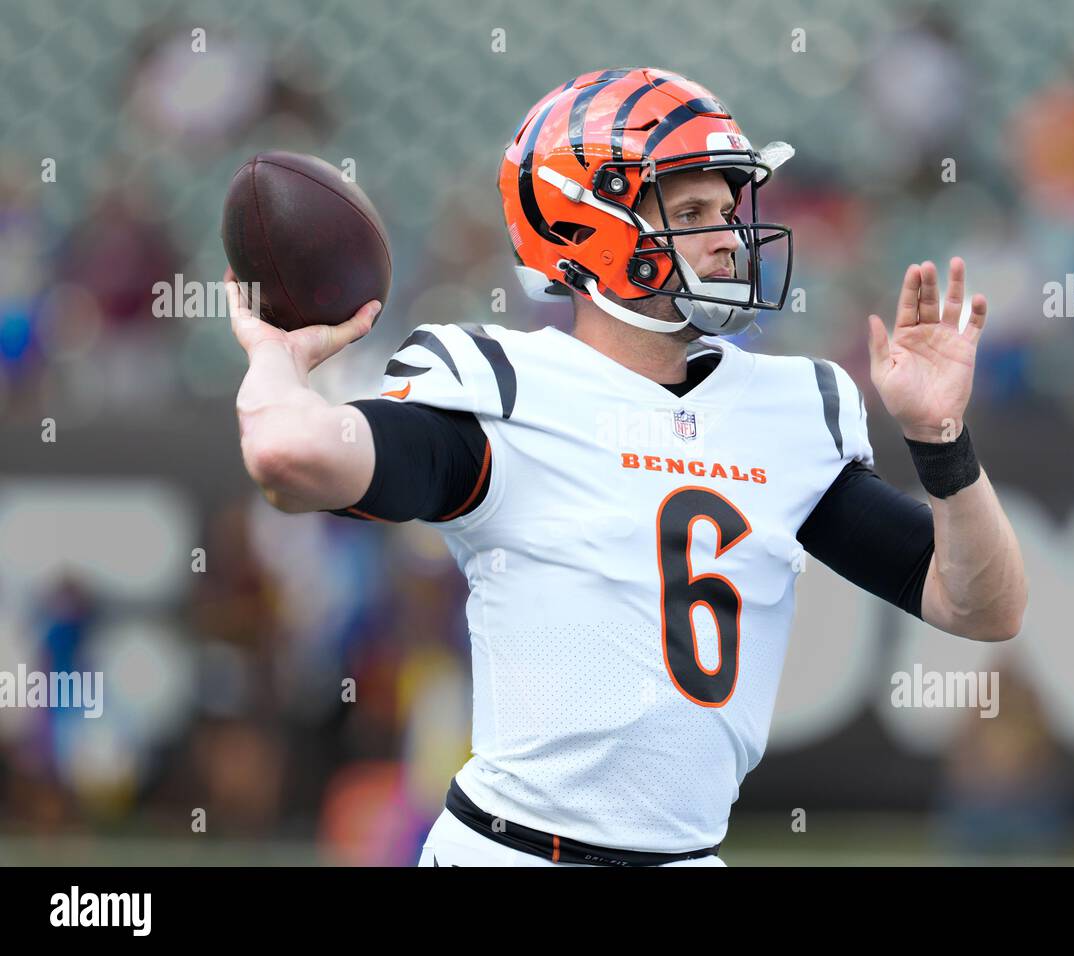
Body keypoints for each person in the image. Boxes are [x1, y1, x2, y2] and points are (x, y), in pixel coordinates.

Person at [226, 67, 1027, 867]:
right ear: (584, 233)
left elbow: (981, 605)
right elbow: (285, 456)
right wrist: (274, 356)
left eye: (725, 210)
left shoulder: (787, 409)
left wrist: (942, 442)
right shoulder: (504, 388)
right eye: (689, 212)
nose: (727, 236)